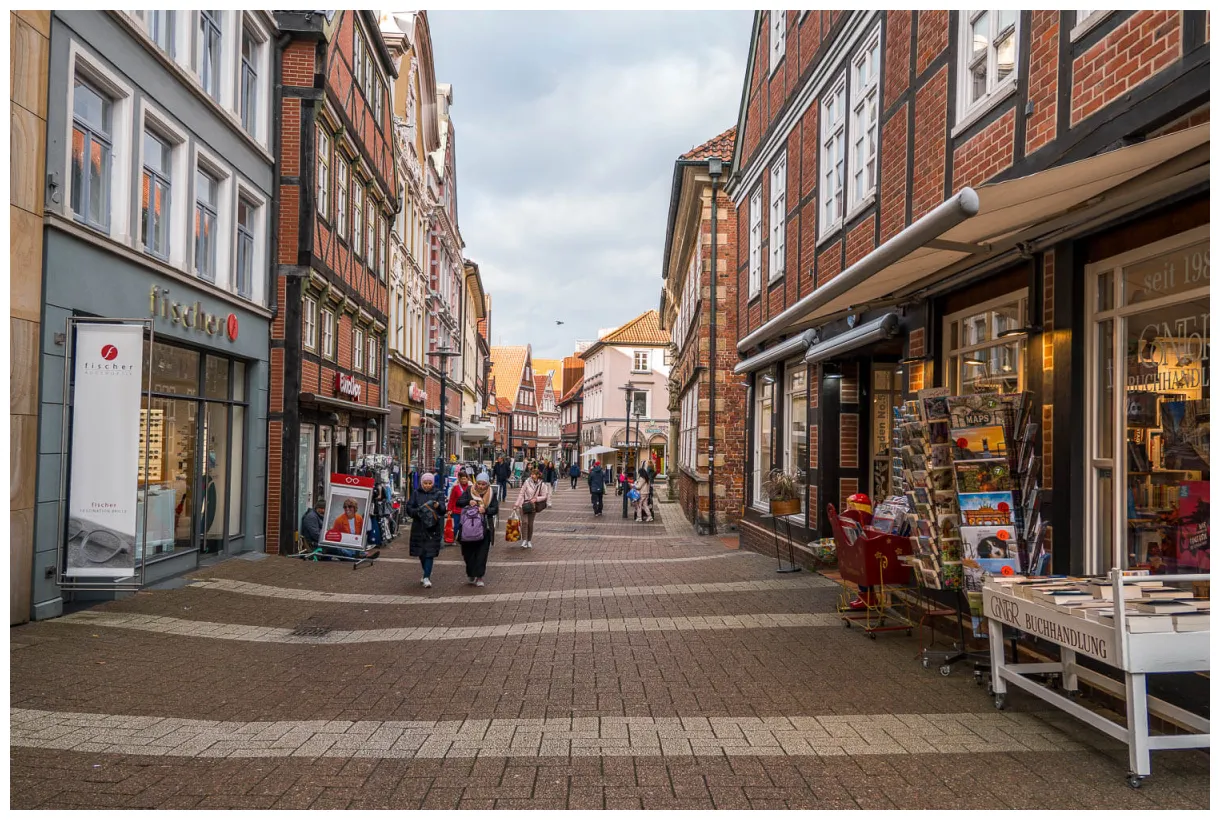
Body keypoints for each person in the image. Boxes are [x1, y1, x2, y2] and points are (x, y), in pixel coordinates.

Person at [456, 472, 498, 587]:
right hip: (468, 528)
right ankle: (471, 573)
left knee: (481, 554)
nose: (481, 486)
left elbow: (495, 508)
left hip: (485, 529)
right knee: (468, 553)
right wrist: (468, 502)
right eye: (479, 483)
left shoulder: (491, 494)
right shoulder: (469, 491)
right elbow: (458, 502)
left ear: (487, 484)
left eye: (483, 484)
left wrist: (486, 510)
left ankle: (479, 576)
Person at [405, 473, 446, 588]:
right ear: (421, 483)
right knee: (421, 553)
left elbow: (443, 510)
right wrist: (418, 512)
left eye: (429, 483)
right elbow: (409, 508)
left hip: (432, 528)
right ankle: (426, 572)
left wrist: (438, 506)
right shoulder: (416, 493)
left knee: (429, 553)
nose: (427, 485)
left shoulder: (438, 493)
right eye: (425, 483)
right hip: (419, 527)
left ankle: (427, 576)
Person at [513, 467, 551, 549]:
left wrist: (536, 499)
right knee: (525, 522)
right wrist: (516, 504)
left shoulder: (542, 485)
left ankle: (529, 540)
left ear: (537, 475)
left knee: (530, 524)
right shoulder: (527, 482)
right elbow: (521, 493)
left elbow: (545, 496)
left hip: (532, 506)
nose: (532, 475)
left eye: (534, 474)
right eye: (531, 474)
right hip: (523, 504)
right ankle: (524, 540)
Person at [446, 470, 470, 540]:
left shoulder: (470, 488)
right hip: (456, 510)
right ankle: (452, 538)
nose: (463, 480)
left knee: (464, 526)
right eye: (462, 479)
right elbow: (451, 499)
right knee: (456, 525)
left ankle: (461, 538)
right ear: (459, 479)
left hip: (466, 511)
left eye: (465, 479)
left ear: (467, 479)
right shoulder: (456, 488)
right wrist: (449, 509)